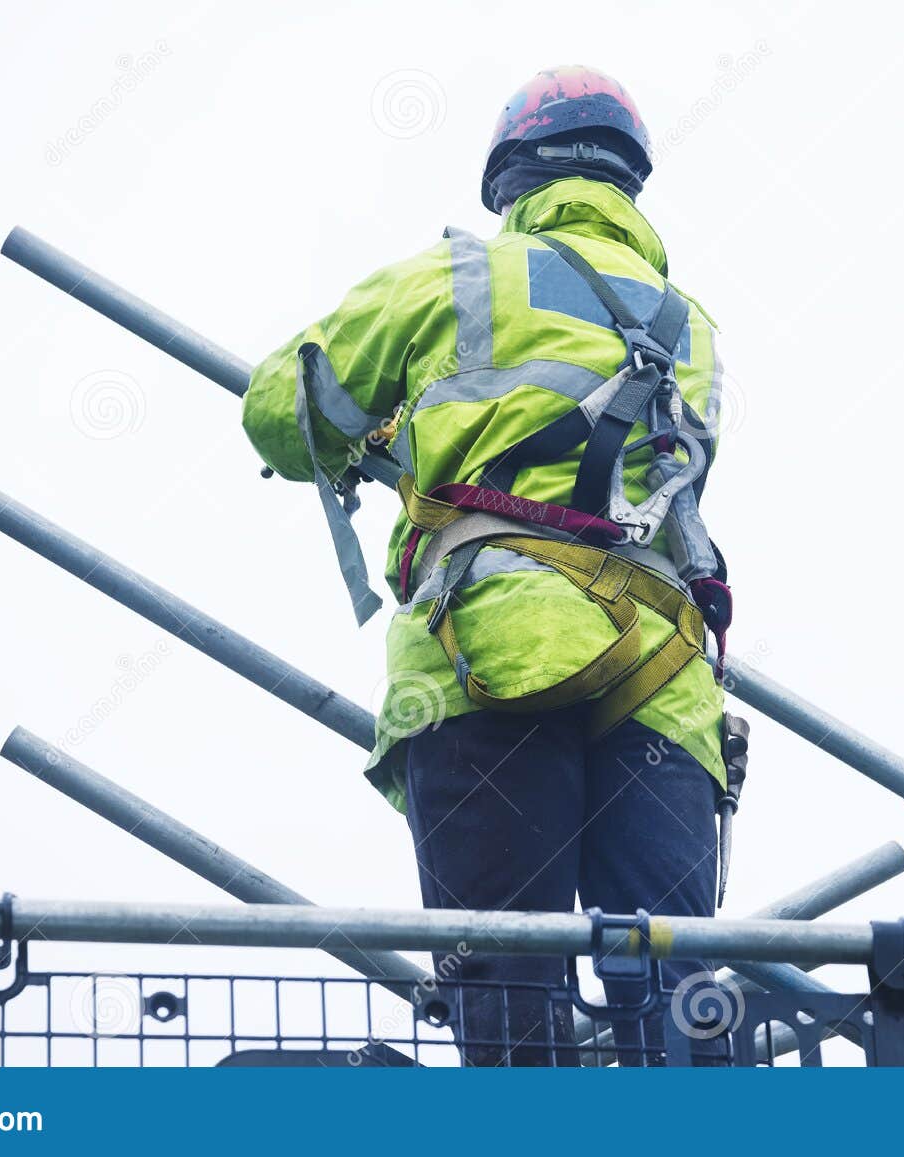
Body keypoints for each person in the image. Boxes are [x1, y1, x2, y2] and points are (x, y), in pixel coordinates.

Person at [242, 66, 737, 1064]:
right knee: (680, 1004)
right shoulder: (692, 327)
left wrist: (388, 438)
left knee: (509, 988)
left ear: (511, 179)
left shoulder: (457, 277)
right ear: (627, 183)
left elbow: (284, 411)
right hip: (662, 677)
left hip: (491, 652)